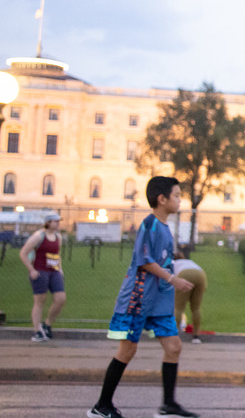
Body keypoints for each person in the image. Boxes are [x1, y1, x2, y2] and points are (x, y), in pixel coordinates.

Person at [89, 176, 199, 418]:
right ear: (162, 199)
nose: (180, 200)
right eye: (177, 195)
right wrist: (173, 279)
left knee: (174, 346)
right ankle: (101, 406)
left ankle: (168, 405)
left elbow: (162, 260)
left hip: (159, 300)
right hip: (138, 298)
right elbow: (144, 261)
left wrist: (175, 270)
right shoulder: (149, 225)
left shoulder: (164, 227)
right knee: (127, 351)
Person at [20, 211, 66, 342]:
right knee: (40, 300)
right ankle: (37, 330)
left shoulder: (58, 237)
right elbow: (23, 253)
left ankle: (48, 324)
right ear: (48, 223)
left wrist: (60, 269)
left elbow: (57, 254)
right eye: (55, 221)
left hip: (54, 271)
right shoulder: (38, 236)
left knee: (60, 299)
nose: (58, 224)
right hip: (40, 271)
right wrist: (32, 270)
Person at [171, 250, 207, 344]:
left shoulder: (172, 263)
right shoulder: (189, 262)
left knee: (178, 307)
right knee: (196, 307)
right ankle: (196, 336)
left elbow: (171, 280)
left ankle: (173, 336)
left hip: (185, 274)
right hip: (201, 274)